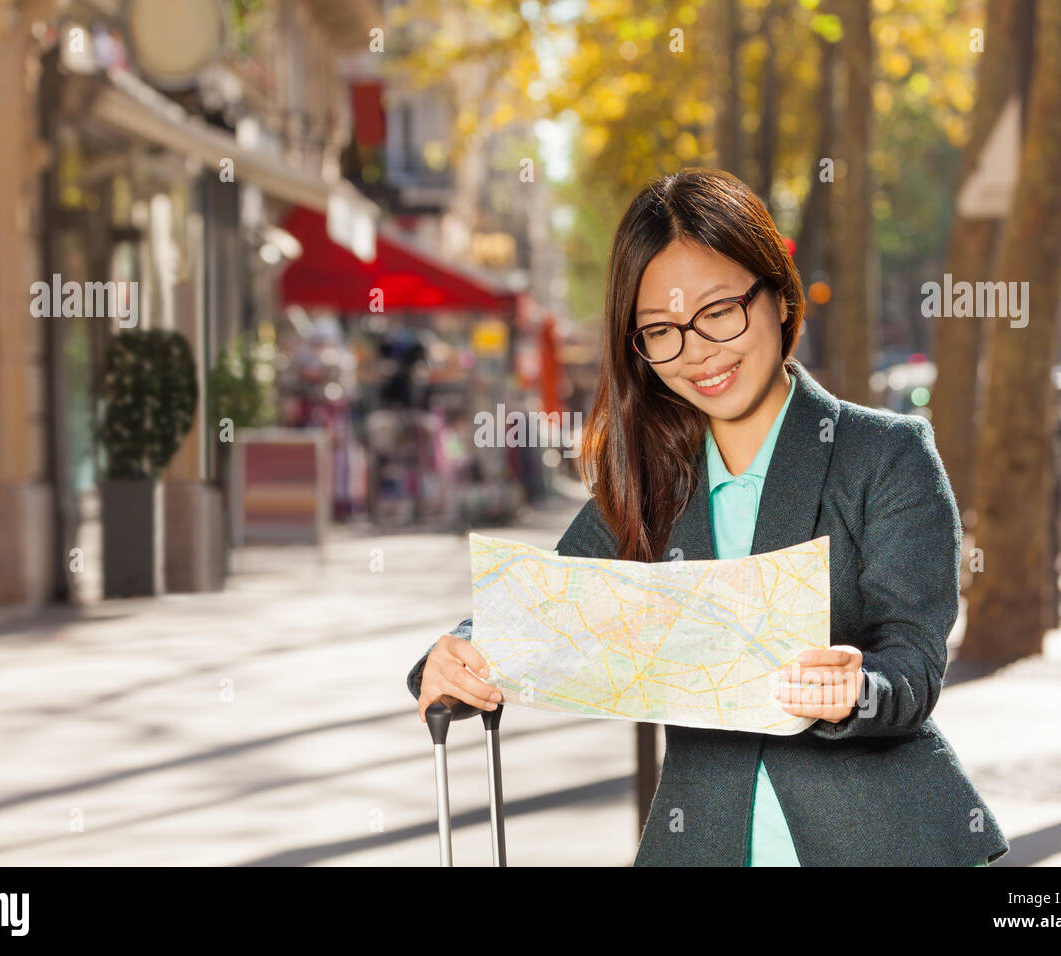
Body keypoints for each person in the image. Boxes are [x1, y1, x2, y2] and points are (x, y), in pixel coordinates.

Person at [405, 167, 1008, 867]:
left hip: (882, 843)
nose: (697, 351)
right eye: (661, 330)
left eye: (719, 311)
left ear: (779, 294)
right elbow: (547, 604)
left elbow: (914, 662)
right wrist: (459, 652)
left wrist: (858, 687)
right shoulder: (651, 481)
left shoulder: (885, 454)